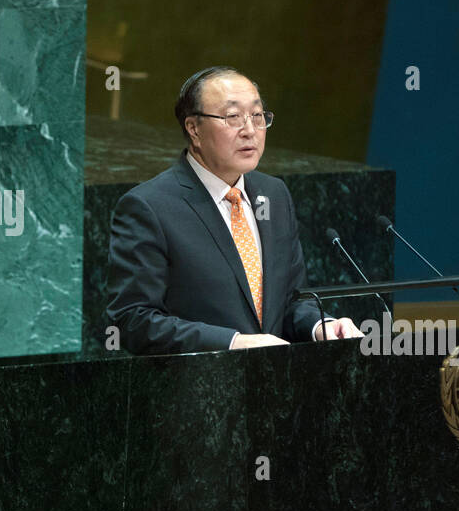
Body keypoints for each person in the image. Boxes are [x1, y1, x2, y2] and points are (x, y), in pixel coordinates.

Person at [105, 66, 362, 353]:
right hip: (199, 389)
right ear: (193, 129)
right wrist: (233, 343)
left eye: (257, 116)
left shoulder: (273, 194)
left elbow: (289, 302)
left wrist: (319, 325)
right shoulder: (149, 206)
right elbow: (133, 321)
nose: (250, 130)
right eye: (232, 117)